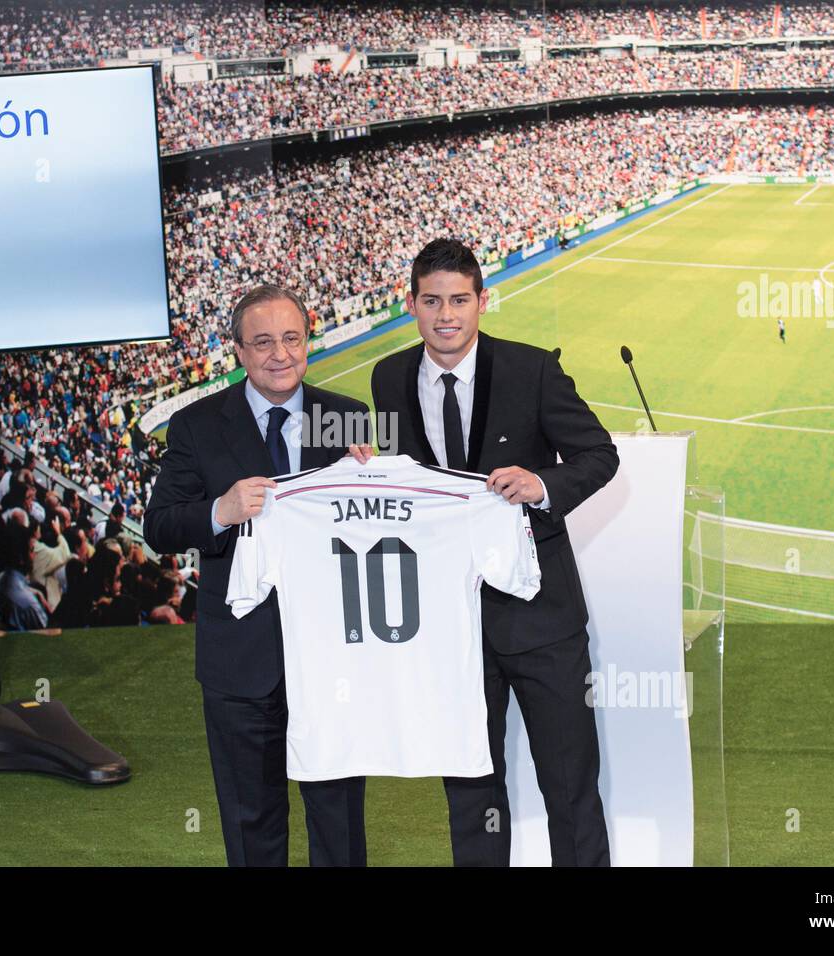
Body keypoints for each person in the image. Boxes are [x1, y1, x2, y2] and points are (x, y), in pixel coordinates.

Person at [369, 238, 619, 866]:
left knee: (569, 788)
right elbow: (406, 481)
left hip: (542, 617)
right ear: (411, 305)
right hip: (449, 625)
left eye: (458, 300)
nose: (445, 315)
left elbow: (600, 455)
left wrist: (543, 486)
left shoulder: (532, 369)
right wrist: (372, 472)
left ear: (483, 301)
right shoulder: (387, 378)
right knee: (471, 795)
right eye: (431, 301)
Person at [144, 283, 370, 867]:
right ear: (238, 351)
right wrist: (220, 510)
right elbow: (161, 527)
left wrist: (371, 481)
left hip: (331, 657)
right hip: (239, 660)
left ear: (307, 341)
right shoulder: (196, 425)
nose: (280, 354)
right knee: (252, 823)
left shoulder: (346, 419)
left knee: (340, 821)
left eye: (291, 338)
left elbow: (385, 525)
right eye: (263, 341)